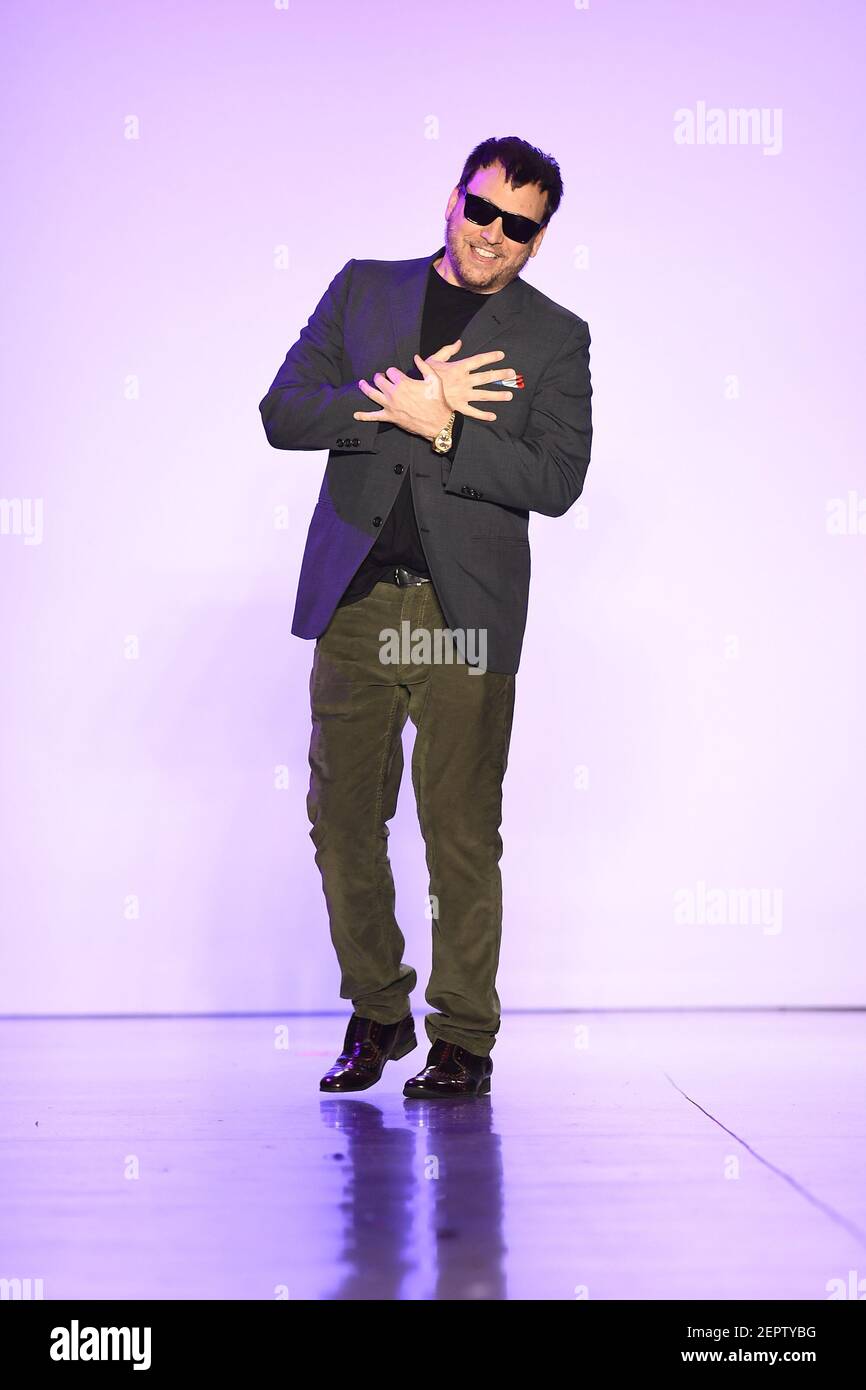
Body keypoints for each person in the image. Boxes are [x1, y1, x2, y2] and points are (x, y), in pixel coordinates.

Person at [258, 135, 593, 1099]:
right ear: (453, 201)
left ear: (538, 242)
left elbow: (558, 481)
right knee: (342, 821)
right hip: (360, 598)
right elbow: (285, 410)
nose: (493, 235)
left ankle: (464, 1038)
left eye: (518, 227)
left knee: (460, 831)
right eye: (482, 210)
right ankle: (378, 1013)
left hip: (464, 614)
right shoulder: (363, 290)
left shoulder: (555, 338)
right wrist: (392, 407)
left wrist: (445, 427)